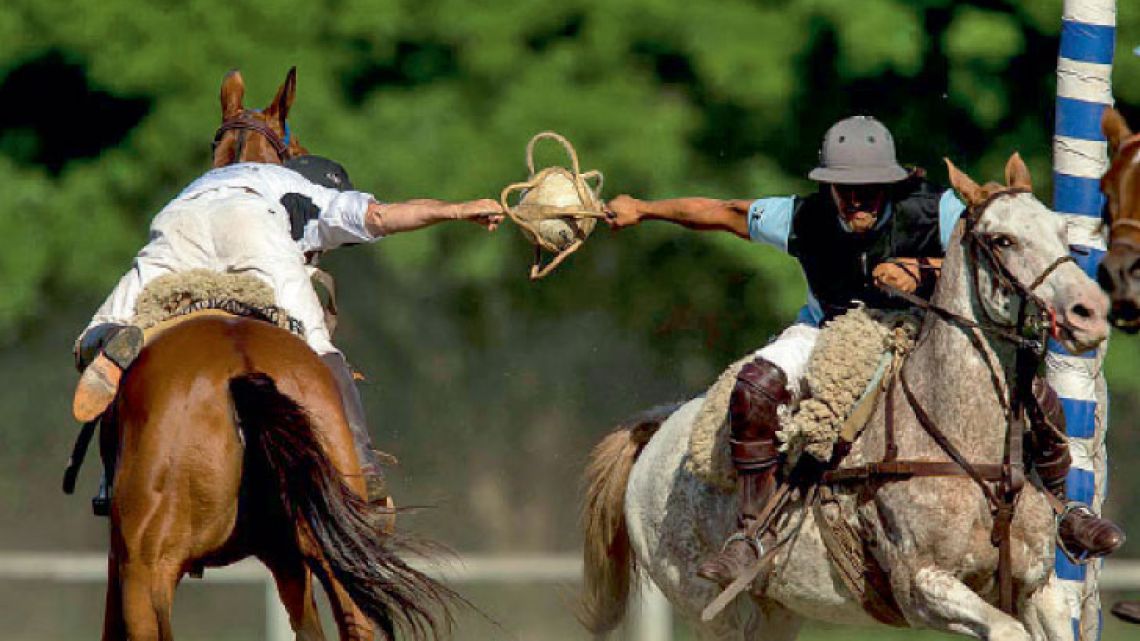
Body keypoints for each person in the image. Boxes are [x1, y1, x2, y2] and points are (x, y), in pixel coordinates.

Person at [606, 115, 1124, 587]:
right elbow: (722, 212)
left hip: (926, 328)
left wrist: (922, 271)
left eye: (869, 192)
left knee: (1031, 389)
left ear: (892, 184)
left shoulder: (935, 209)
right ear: (828, 186)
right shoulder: (802, 217)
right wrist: (644, 210)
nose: (856, 203)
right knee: (755, 386)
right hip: (828, 331)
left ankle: (1065, 512)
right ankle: (751, 532)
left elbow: (991, 254)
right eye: (845, 191)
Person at [74, 156, 504, 503]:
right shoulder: (315, 196)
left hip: (177, 220)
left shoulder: (226, 175)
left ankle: (114, 348)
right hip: (251, 223)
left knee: (101, 327)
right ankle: (361, 468)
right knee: (316, 347)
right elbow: (380, 216)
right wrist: (457, 210)